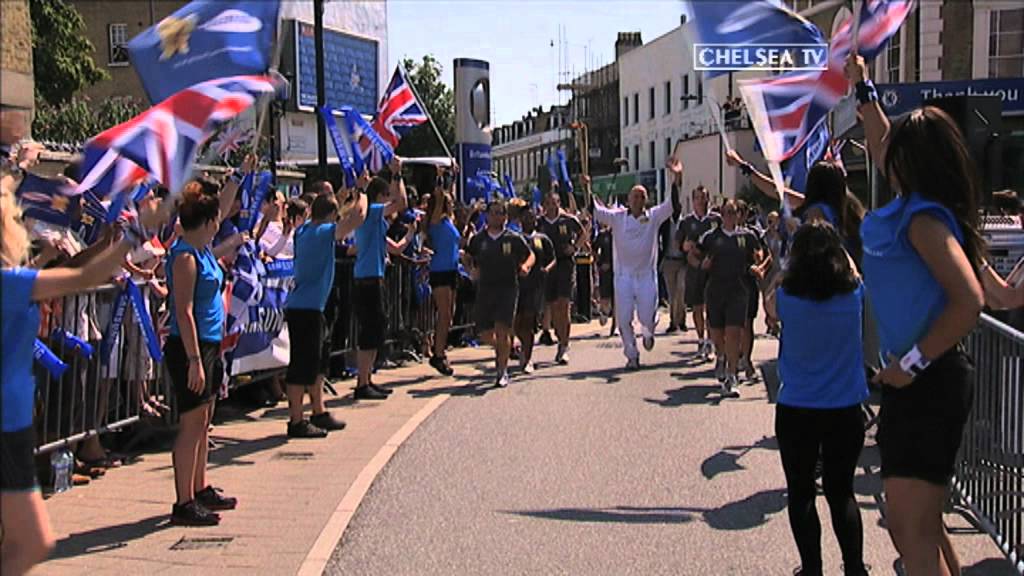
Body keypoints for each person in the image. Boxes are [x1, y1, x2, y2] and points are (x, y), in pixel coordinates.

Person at [848, 53, 985, 576]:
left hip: (928, 381)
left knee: (912, 531)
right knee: (917, 529)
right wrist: (864, 91)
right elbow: (882, 142)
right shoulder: (913, 206)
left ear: (915, 163)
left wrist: (911, 363)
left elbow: (969, 300)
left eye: (898, 154)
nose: (885, 157)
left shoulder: (925, 221)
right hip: (915, 382)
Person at [0, 176, 152, 574]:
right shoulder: (10, 282)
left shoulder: (15, 280)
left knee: (28, 540)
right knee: (29, 540)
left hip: (12, 424)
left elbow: (84, 273)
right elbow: (82, 279)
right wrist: (134, 233)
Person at [767, 222, 869, 576]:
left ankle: (812, 568)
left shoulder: (788, 299)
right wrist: (842, 252)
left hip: (797, 406)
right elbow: (854, 272)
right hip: (844, 407)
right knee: (842, 492)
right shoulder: (853, 296)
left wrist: (784, 270)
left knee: (801, 492)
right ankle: (854, 567)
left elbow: (770, 307)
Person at [283, 186, 367, 438]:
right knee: (301, 366)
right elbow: (358, 217)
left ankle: (318, 411)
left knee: (317, 363)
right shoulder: (322, 233)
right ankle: (296, 420)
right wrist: (361, 193)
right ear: (331, 216)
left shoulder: (305, 230)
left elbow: (331, 212)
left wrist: (341, 199)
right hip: (306, 308)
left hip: (309, 306)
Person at [591, 159, 683, 370]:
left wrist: (676, 178)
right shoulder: (617, 218)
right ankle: (632, 355)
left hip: (645, 276)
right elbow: (595, 211)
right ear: (628, 199)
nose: (638, 200)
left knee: (646, 316)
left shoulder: (653, 216)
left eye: (642, 196)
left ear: (646, 200)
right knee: (623, 320)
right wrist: (587, 187)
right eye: (634, 196)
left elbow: (673, 204)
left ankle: (649, 330)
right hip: (623, 276)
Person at [353, 157, 408, 400]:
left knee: (375, 330)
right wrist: (397, 174)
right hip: (367, 278)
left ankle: (367, 379)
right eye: (385, 194)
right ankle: (362, 383)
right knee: (369, 331)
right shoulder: (372, 212)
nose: (389, 198)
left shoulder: (373, 216)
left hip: (373, 275)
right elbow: (401, 202)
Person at [466, 199, 535, 387]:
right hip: (485, 289)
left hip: (507, 289)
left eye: (501, 213)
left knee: (502, 329)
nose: (497, 216)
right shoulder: (479, 239)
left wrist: (526, 266)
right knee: (484, 333)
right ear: (487, 216)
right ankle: (507, 348)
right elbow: (467, 255)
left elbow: (530, 254)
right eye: (494, 213)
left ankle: (502, 371)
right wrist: (471, 269)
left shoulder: (513, 237)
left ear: (506, 216)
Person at [698, 198, 760, 397]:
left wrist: (758, 265)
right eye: (727, 213)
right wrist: (702, 265)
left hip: (738, 289)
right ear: (721, 215)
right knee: (717, 334)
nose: (730, 216)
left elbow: (759, 253)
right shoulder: (710, 237)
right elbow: (694, 255)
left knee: (734, 332)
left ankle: (732, 376)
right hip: (715, 290)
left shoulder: (747, 236)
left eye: (734, 212)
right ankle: (721, 356)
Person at [539, 190, 586, 364]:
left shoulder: (568, 220)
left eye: (554, 203)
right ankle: (560, 336)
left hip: (565, 264)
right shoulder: (540, 223)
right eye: (548, 203)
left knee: (563, 304)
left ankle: (564, 345)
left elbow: (583, 233)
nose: (551, 207)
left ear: (559, 203)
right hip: (548, 267)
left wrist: (574, 248)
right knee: (553, 306)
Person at [680, 185, 721, 360]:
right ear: (693, 200)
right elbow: (681, 245)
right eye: (697, 197)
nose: (701, 201)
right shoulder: (687, 222)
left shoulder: (716, 219)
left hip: (712, 270)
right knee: (697, 307)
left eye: (703, 197)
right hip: (694, 270)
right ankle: (701, 339)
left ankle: (711, 342)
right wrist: (688, 246)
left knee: (711, 307)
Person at [515, 206, 556, 374]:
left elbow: (552, 258)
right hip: (517, 285)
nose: (529, 220)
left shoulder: (542, 239)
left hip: (536, 286)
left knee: (529, 323)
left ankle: (527, 358)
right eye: (525, 217)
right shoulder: (515, 239)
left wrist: (547, 268)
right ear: (520, 220)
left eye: (531, 217)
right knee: (517, 323)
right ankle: (521, 349)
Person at [426, 176, 460, 376]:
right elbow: (439, 198)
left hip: (452, 270)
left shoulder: (449, 221)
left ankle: (441, 349)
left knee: (450, 316)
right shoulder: (436, 220)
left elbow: (450, 196)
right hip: (440, 270)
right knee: (444, 313)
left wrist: (453, 176)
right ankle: (438, 353)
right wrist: (439, 180)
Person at [736, 199, 767, 382]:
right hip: (729, 282)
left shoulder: (754, 233)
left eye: (741, 211)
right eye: (734, 211)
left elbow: (765, 253)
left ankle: (746, 361)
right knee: (732, 324)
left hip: (748, 282)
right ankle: (733, 359)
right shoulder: (723, 234)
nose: (738, 215)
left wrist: (761, 266)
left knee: (747, 323)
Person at [660, 158, 688, 334]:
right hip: (669, 261)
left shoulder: (684, 223)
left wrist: (677, 176)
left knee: (681, 291)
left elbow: (676, 193)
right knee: (672, 294)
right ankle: (673, 322)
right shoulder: (664, 223)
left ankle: (681, 319)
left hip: (682, 261)